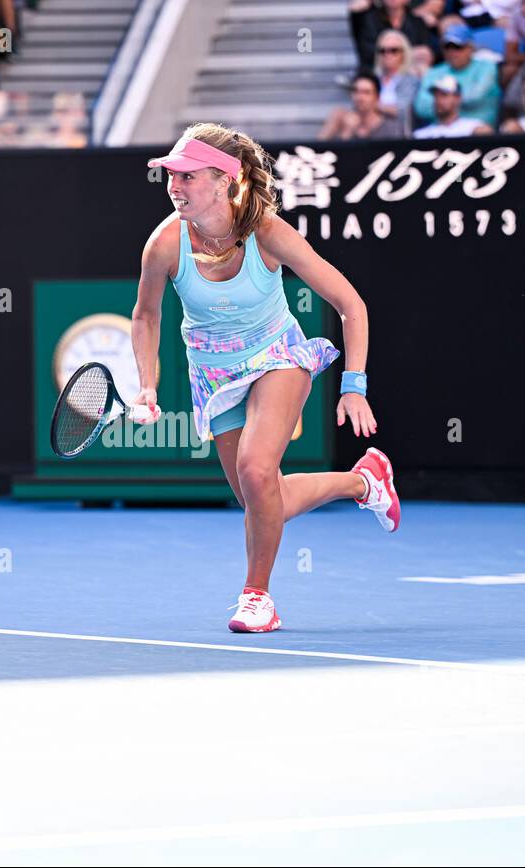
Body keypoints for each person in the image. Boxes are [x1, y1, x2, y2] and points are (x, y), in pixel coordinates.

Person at [133, 124, 398, 633]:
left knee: (257, 474)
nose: (175, 185)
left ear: (224, 180)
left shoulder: (268, 233)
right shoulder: (163, 245)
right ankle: (364, 482)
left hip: (278, 354)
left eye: (188, 176)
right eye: (172, 175)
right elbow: (145, 317)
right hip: (213, 372)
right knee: (261, 496)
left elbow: (350, 305)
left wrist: (354, 385)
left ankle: (257, 598)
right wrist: (147, 384)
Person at [413, 23, 501, 127]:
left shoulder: (486, 67)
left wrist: (442, 104)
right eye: (447, 47)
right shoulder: (434, 72)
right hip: (441, 130)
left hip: (476, 133)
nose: (452, 52)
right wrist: (453, 105)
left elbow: (475, 97)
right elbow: (421, 107)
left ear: (471, 48)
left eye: (457, 47)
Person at [349, 0, 438, 72]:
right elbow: (367, 52)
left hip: (409, 74)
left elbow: (425, 52)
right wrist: (409, 53)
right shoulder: (370, 19)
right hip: (377, 73)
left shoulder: (417, 22)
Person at [318, 70, 403, 139]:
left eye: (366, 92)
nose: (360, 97)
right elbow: (317, 149)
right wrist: (347, 132)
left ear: (377, 97)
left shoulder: (392, 128)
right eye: (356, 91)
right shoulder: (341, 120)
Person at [372, 28, 420, 135]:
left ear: (403, 53)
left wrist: (373, 106)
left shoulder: (410, 79)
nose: (387, 54)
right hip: (372, 128)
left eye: (393, 50)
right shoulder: (374, 78)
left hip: (397, 131)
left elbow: (402, 111)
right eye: (382, 51)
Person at [414, 72, 496, 134]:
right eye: (436, 96)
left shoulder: (472, 127)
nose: (438, 100)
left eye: (444, 95)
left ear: (458, 98)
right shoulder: (422, 134)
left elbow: (488, 132)